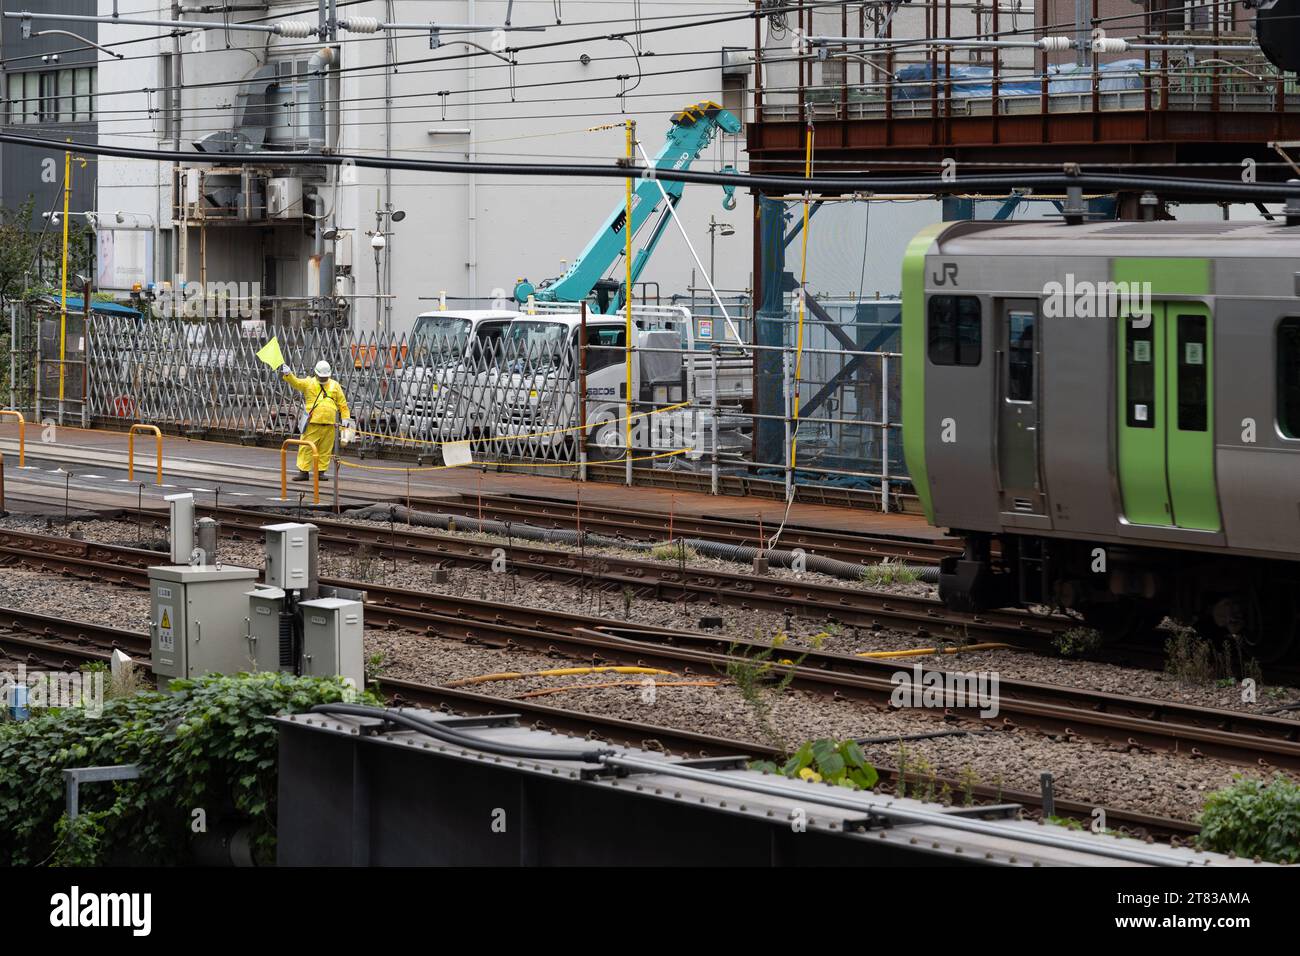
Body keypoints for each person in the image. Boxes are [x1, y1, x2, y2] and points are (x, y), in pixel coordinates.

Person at [280, 360, 352, 481]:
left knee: (325, 449)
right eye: (321, 377)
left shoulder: (335, 385)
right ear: (316, 374)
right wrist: (289, 375)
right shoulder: (309, 382)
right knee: (306, 448)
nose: (323, 379)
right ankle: (303, 472)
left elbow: (342, 404)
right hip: (312, 423)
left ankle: (320, 472)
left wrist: (345, 417)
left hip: (329, 424)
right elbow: (296, 383)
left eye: (325, 377)